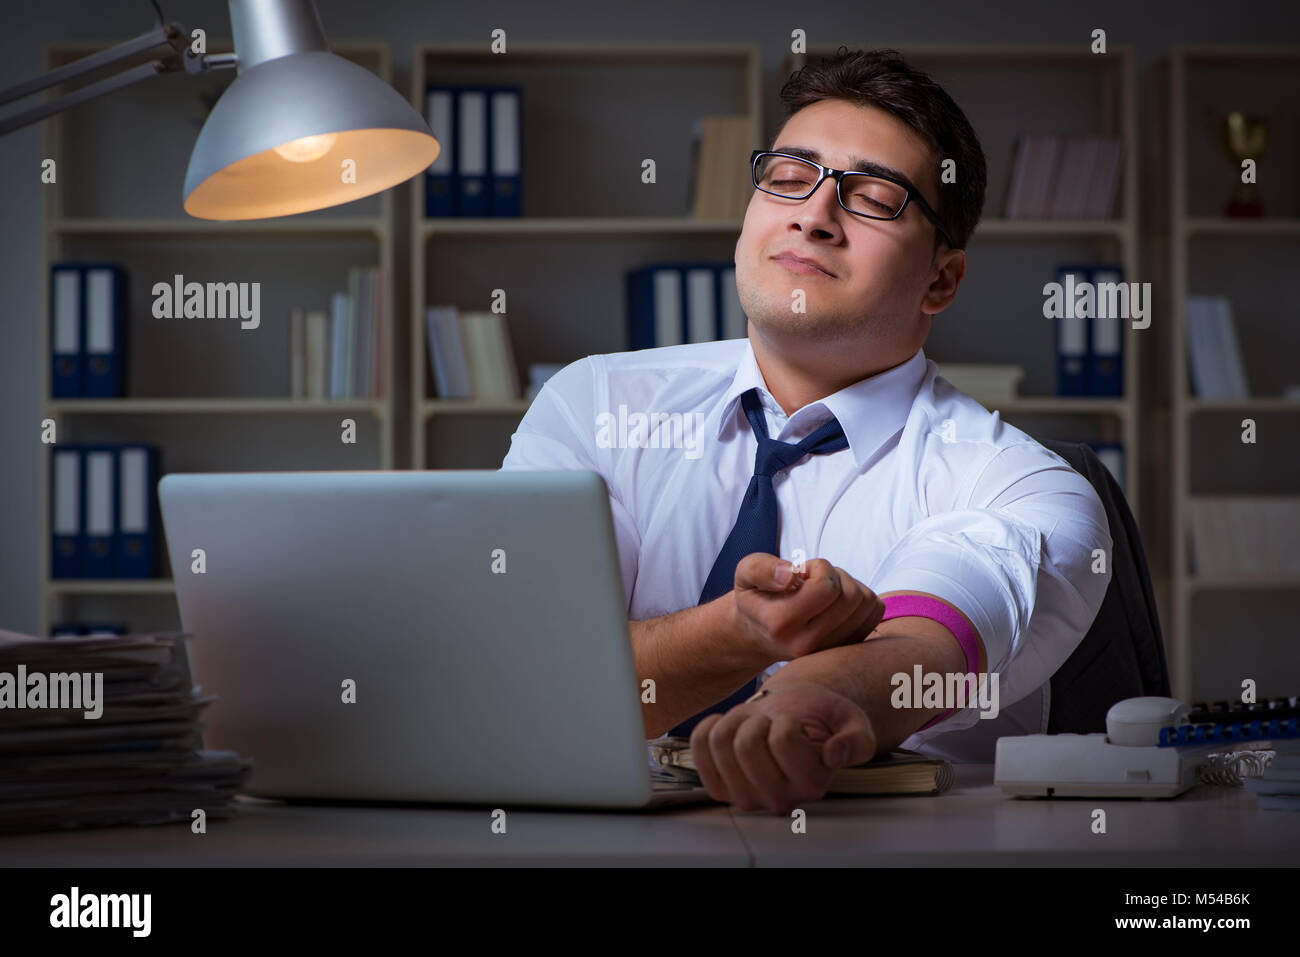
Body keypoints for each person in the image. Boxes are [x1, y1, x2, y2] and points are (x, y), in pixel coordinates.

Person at [500, 47, 1111, 814]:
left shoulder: (1021, 482)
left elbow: (934, 635)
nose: (814, 214)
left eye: (873, 196)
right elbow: (526, 675)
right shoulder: (593, 403)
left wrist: (815, 696)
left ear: (941, 279)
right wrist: (740, 630)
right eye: (790, 177)